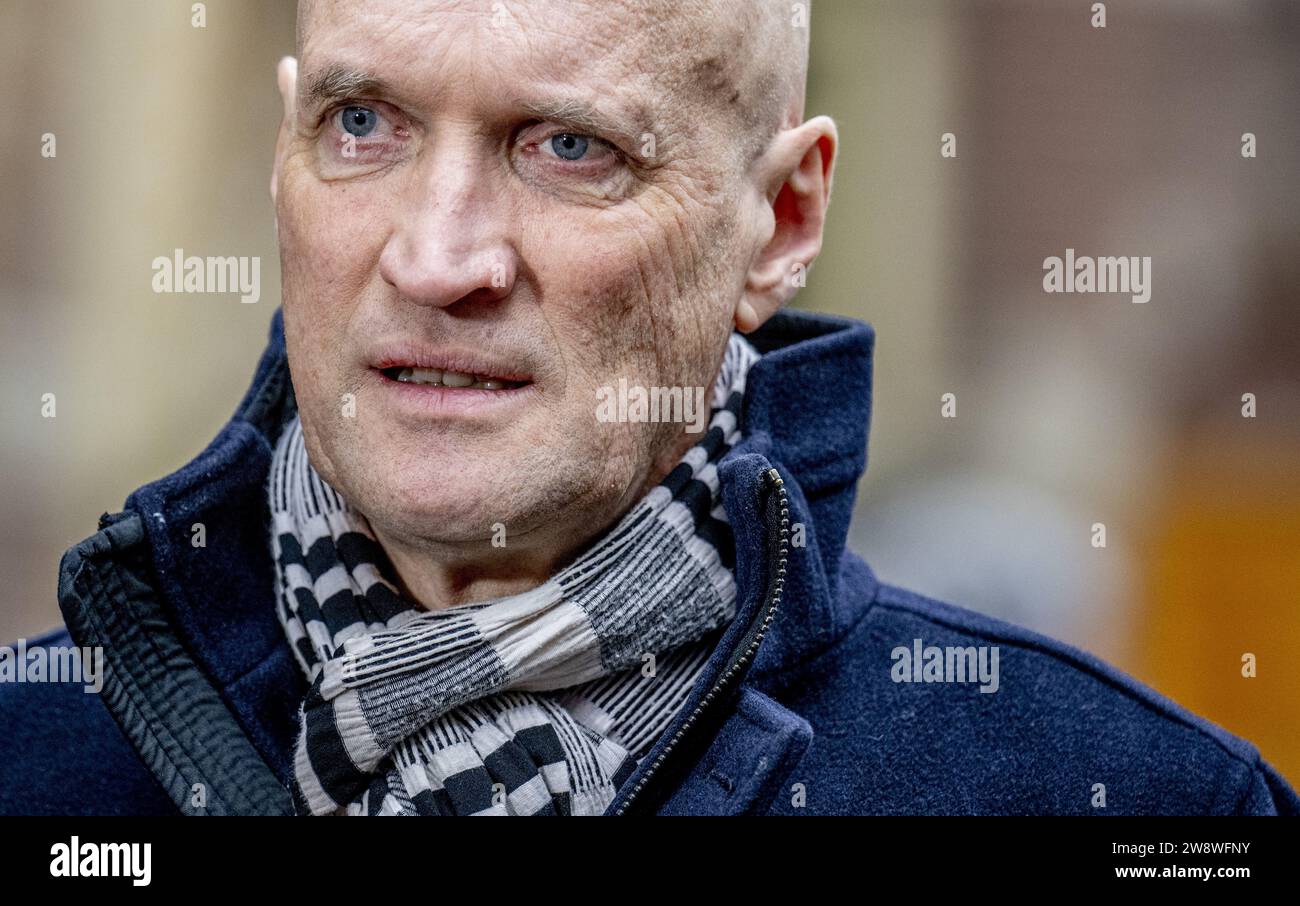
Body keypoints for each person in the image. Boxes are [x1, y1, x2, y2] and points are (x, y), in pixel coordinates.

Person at [1, 0, 1295, 816]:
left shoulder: (1128, 800)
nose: (436, 258)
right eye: (362, 124)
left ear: (780, 222)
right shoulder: (32, 757)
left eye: (569, 147)